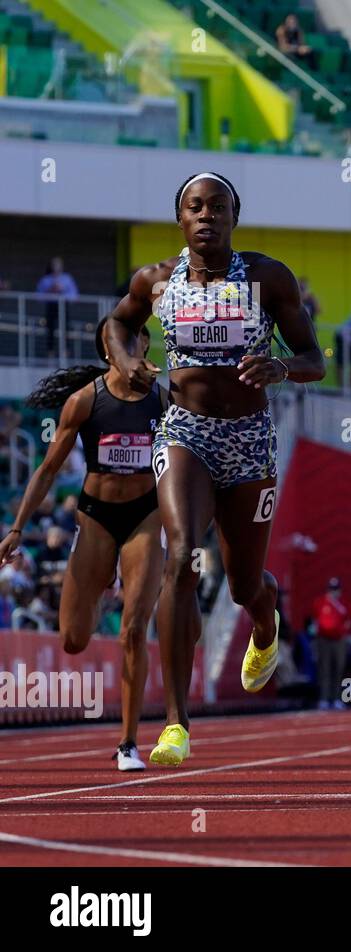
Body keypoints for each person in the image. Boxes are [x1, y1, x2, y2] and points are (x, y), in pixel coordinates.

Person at [104, 170, 325, 766]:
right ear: (181, 220)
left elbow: (314, 358)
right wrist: (127, 363)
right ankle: (176, 722)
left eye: (218, 208)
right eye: (195, 208)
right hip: (185, 434)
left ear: (234, 217)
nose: (207, 216)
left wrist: (281, 367)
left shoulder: (266, 276)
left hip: (249, 440)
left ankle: (265, 621)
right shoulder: (156, 281)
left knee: (244, 583)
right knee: (179, 558)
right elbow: (117, 323)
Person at [2, 320, 163, 771]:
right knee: (73, 639)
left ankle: (129, 743)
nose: (135, 346)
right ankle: (104, 581)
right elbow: (49, 470)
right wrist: (17, 528)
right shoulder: (85, 400)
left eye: (140, 337)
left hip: (145, 517)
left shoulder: (163, 399)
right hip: (95, 518)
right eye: (124, 340)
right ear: (110, 351)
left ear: (147, 343)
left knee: (133, 628)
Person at [310, 577, 350, 710]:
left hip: (339, 640)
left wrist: (343, 632)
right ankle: (324, 698)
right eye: (332, 589)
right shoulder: (320, 602)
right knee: (324, 669)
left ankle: (338, 698)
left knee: (339, 669)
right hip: (324, 639)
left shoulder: (342, 603)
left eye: (336, 589)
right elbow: (315, 620)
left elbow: (348, 620)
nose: (334, 592)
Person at [37, 257, 79, 356]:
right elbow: (39, 295)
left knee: (65, 328)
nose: (56, 267)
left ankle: (66, 352)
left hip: (63, 306)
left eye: (58, 264)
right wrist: (50, 290)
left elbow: (74, 295)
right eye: (54, 264)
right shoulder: (46, 279)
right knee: (50, 329)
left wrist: (62, 291)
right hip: (51, 306)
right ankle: (50, 352)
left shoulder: (67, 278)